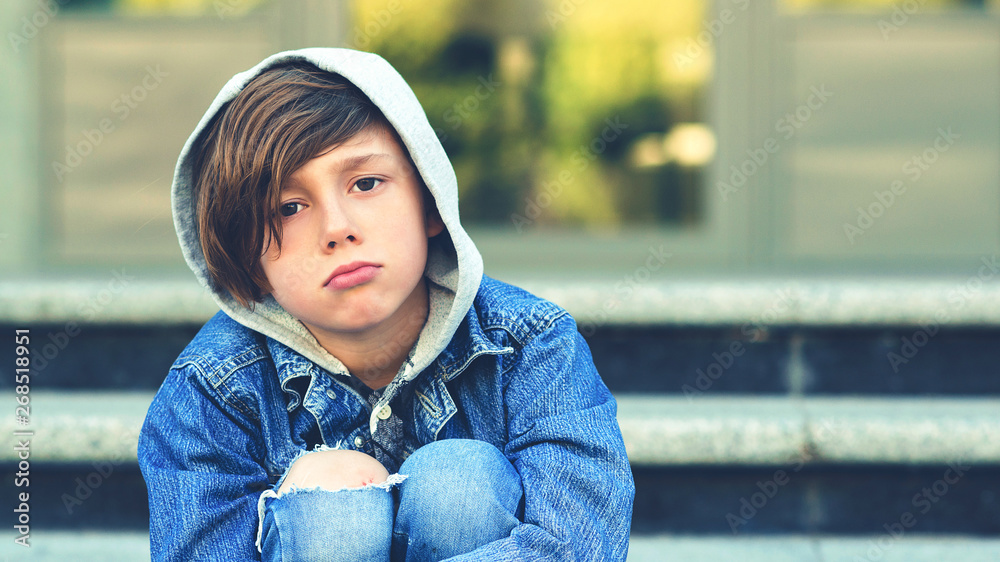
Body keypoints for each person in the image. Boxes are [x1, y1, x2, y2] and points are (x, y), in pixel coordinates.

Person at [138, 47, 634, 562]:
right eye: (289, 208)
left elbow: (578, 545)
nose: (337, 228)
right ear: (247, 255)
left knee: (459, 481)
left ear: (430, 202)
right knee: (332, 498)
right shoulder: (211, 389)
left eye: (367, 183)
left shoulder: (530, 345)